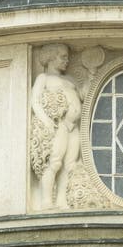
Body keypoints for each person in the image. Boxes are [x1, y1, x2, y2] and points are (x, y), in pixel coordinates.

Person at [30, 44, 82, 207]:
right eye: (63, 57)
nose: (67, 60)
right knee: (54, 162)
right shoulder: (43, 78)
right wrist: (46, 121)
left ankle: (61, 200)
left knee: (69, 164)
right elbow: (35, 101)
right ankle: (46, 201)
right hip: (57, 124)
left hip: (72, 126)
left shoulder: (70, 80)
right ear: (51, 57)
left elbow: (83, 94)